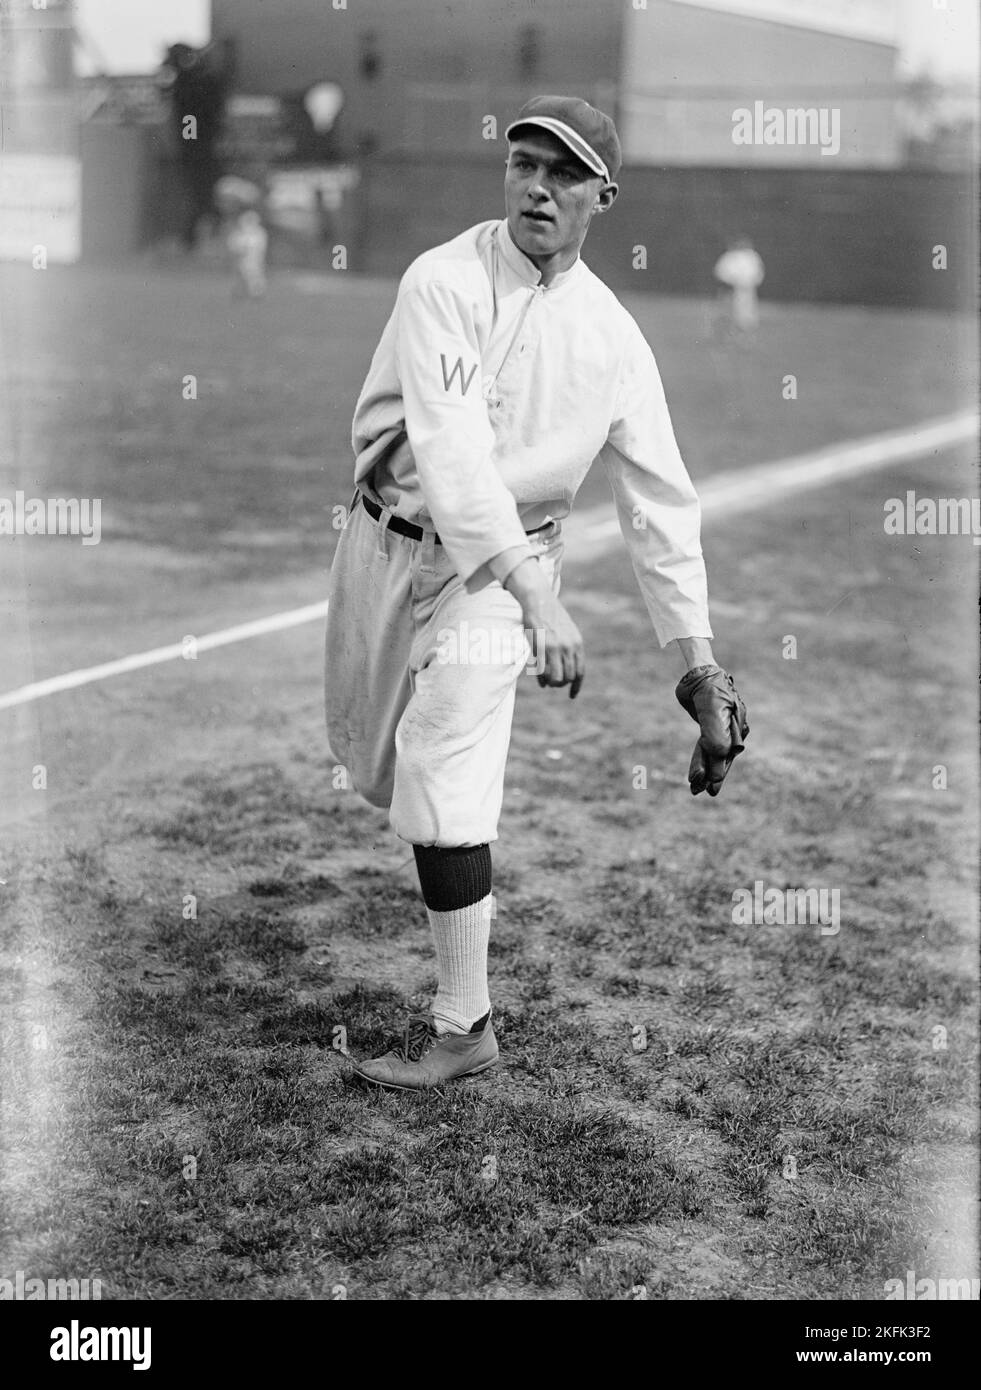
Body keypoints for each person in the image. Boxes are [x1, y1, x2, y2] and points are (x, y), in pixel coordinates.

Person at [324, 95, 748, 1091]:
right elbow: (453, 450)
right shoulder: (444, 282)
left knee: (442, 756)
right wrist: (533, 591)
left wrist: (698, 667)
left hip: (505, 582)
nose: (539, 186)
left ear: (604, 193)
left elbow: (659, 506)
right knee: (374, 762)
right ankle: (459, 991)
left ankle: (463, 1028)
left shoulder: (614, 340)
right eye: (524, 163)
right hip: (385, 550)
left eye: (564, 172)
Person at [713, 236, 765, 333]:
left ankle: (747, 324)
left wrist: (754, 280)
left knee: (748, 304)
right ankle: (733, 324)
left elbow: (757, 271)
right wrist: (731, 280)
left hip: (747, 285)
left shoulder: (752, 256)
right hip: (731, 285)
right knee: (732, 305)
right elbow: (721, 270)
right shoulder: (731, 256)